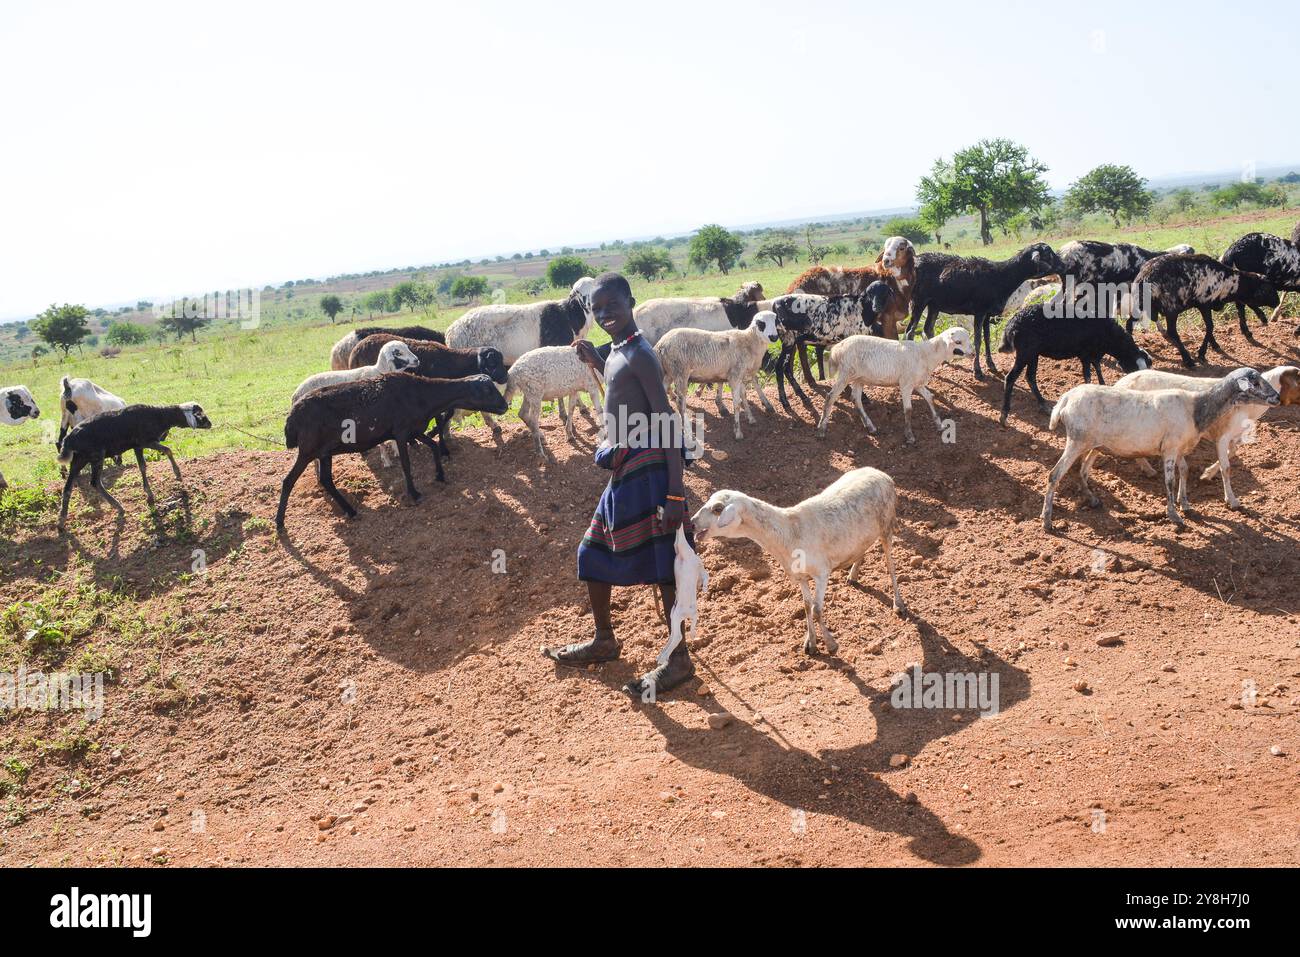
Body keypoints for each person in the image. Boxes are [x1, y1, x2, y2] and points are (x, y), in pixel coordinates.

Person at [539, 272, 695, 696]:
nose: (606, 313)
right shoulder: (618, 351)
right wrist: (596, 360)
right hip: (628, 467)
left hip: (651, 469)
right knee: (591, 551)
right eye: (598, 308)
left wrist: (676, 492)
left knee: (664, 567)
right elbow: (625, 395)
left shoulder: (641, 354)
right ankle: (605, 640)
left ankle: (680, 661)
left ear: (631, 302)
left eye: (614, 305)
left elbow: (666, 420)